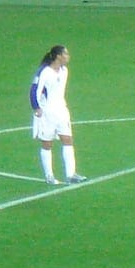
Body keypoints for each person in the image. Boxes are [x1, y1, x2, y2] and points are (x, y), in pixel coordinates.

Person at [31, 45, 84, 185]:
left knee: (67, 140)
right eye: (65, 54)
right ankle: (49, 175)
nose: (68, 56)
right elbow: (34, 89)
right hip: (47, 112)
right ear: (58, 56)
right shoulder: (44, 72)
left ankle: (71, 174)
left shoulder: (64, 71)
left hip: (61, 111)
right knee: (47, 144)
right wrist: (36, 107)